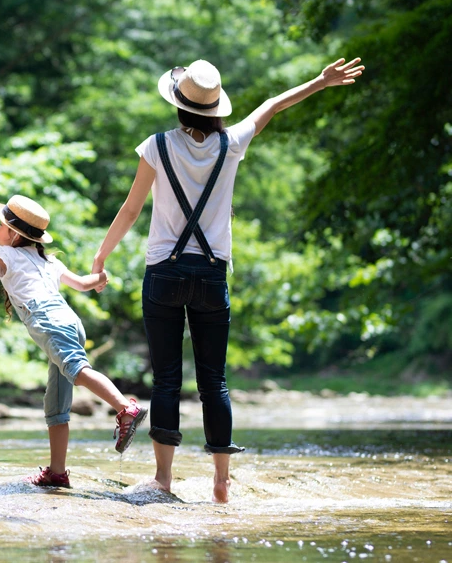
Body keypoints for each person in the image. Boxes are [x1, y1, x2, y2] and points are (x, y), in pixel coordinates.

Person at [91, 57, 365, 503]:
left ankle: (163, 479)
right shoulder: (231, 143)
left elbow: (130, 209)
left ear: (178, 106)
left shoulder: (156, 146)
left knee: (165, 380)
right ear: (218, 109)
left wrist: (101, 258)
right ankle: (221, 481)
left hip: (164, 271)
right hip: (212, 274)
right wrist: (321, 81)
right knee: (213, 381)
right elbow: (272, 105)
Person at [0, 195, 148, 489]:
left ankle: (124, 407)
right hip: (69, 320)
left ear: (14, 234)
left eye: (1, 227)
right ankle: (57, 472)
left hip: (49, 322)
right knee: (56, 405)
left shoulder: (8, 254)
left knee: (77, 369)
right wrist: (100, 277)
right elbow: (82, 283)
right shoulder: (48, 260)